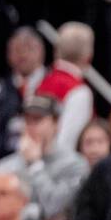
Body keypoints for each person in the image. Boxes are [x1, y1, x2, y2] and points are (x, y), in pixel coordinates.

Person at [0, 94, 89, 220]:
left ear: (56, 124)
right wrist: (37, 213)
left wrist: (35, 165)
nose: (31, 126)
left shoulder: (75, 164)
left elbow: (55, 208)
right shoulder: (5, 166)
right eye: (27, 120)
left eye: (37, 120)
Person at [0, 27, 48, 178]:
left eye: (28, 48)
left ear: (41, 51)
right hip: (5, 170)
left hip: (42, 170)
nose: (22, 55)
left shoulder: (53, 86)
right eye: (16, 50)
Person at [39, 21, 96, 152]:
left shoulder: (40, 83)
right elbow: (68, 142)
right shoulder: (80, 92)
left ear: (56, 50)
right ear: (89, 56)